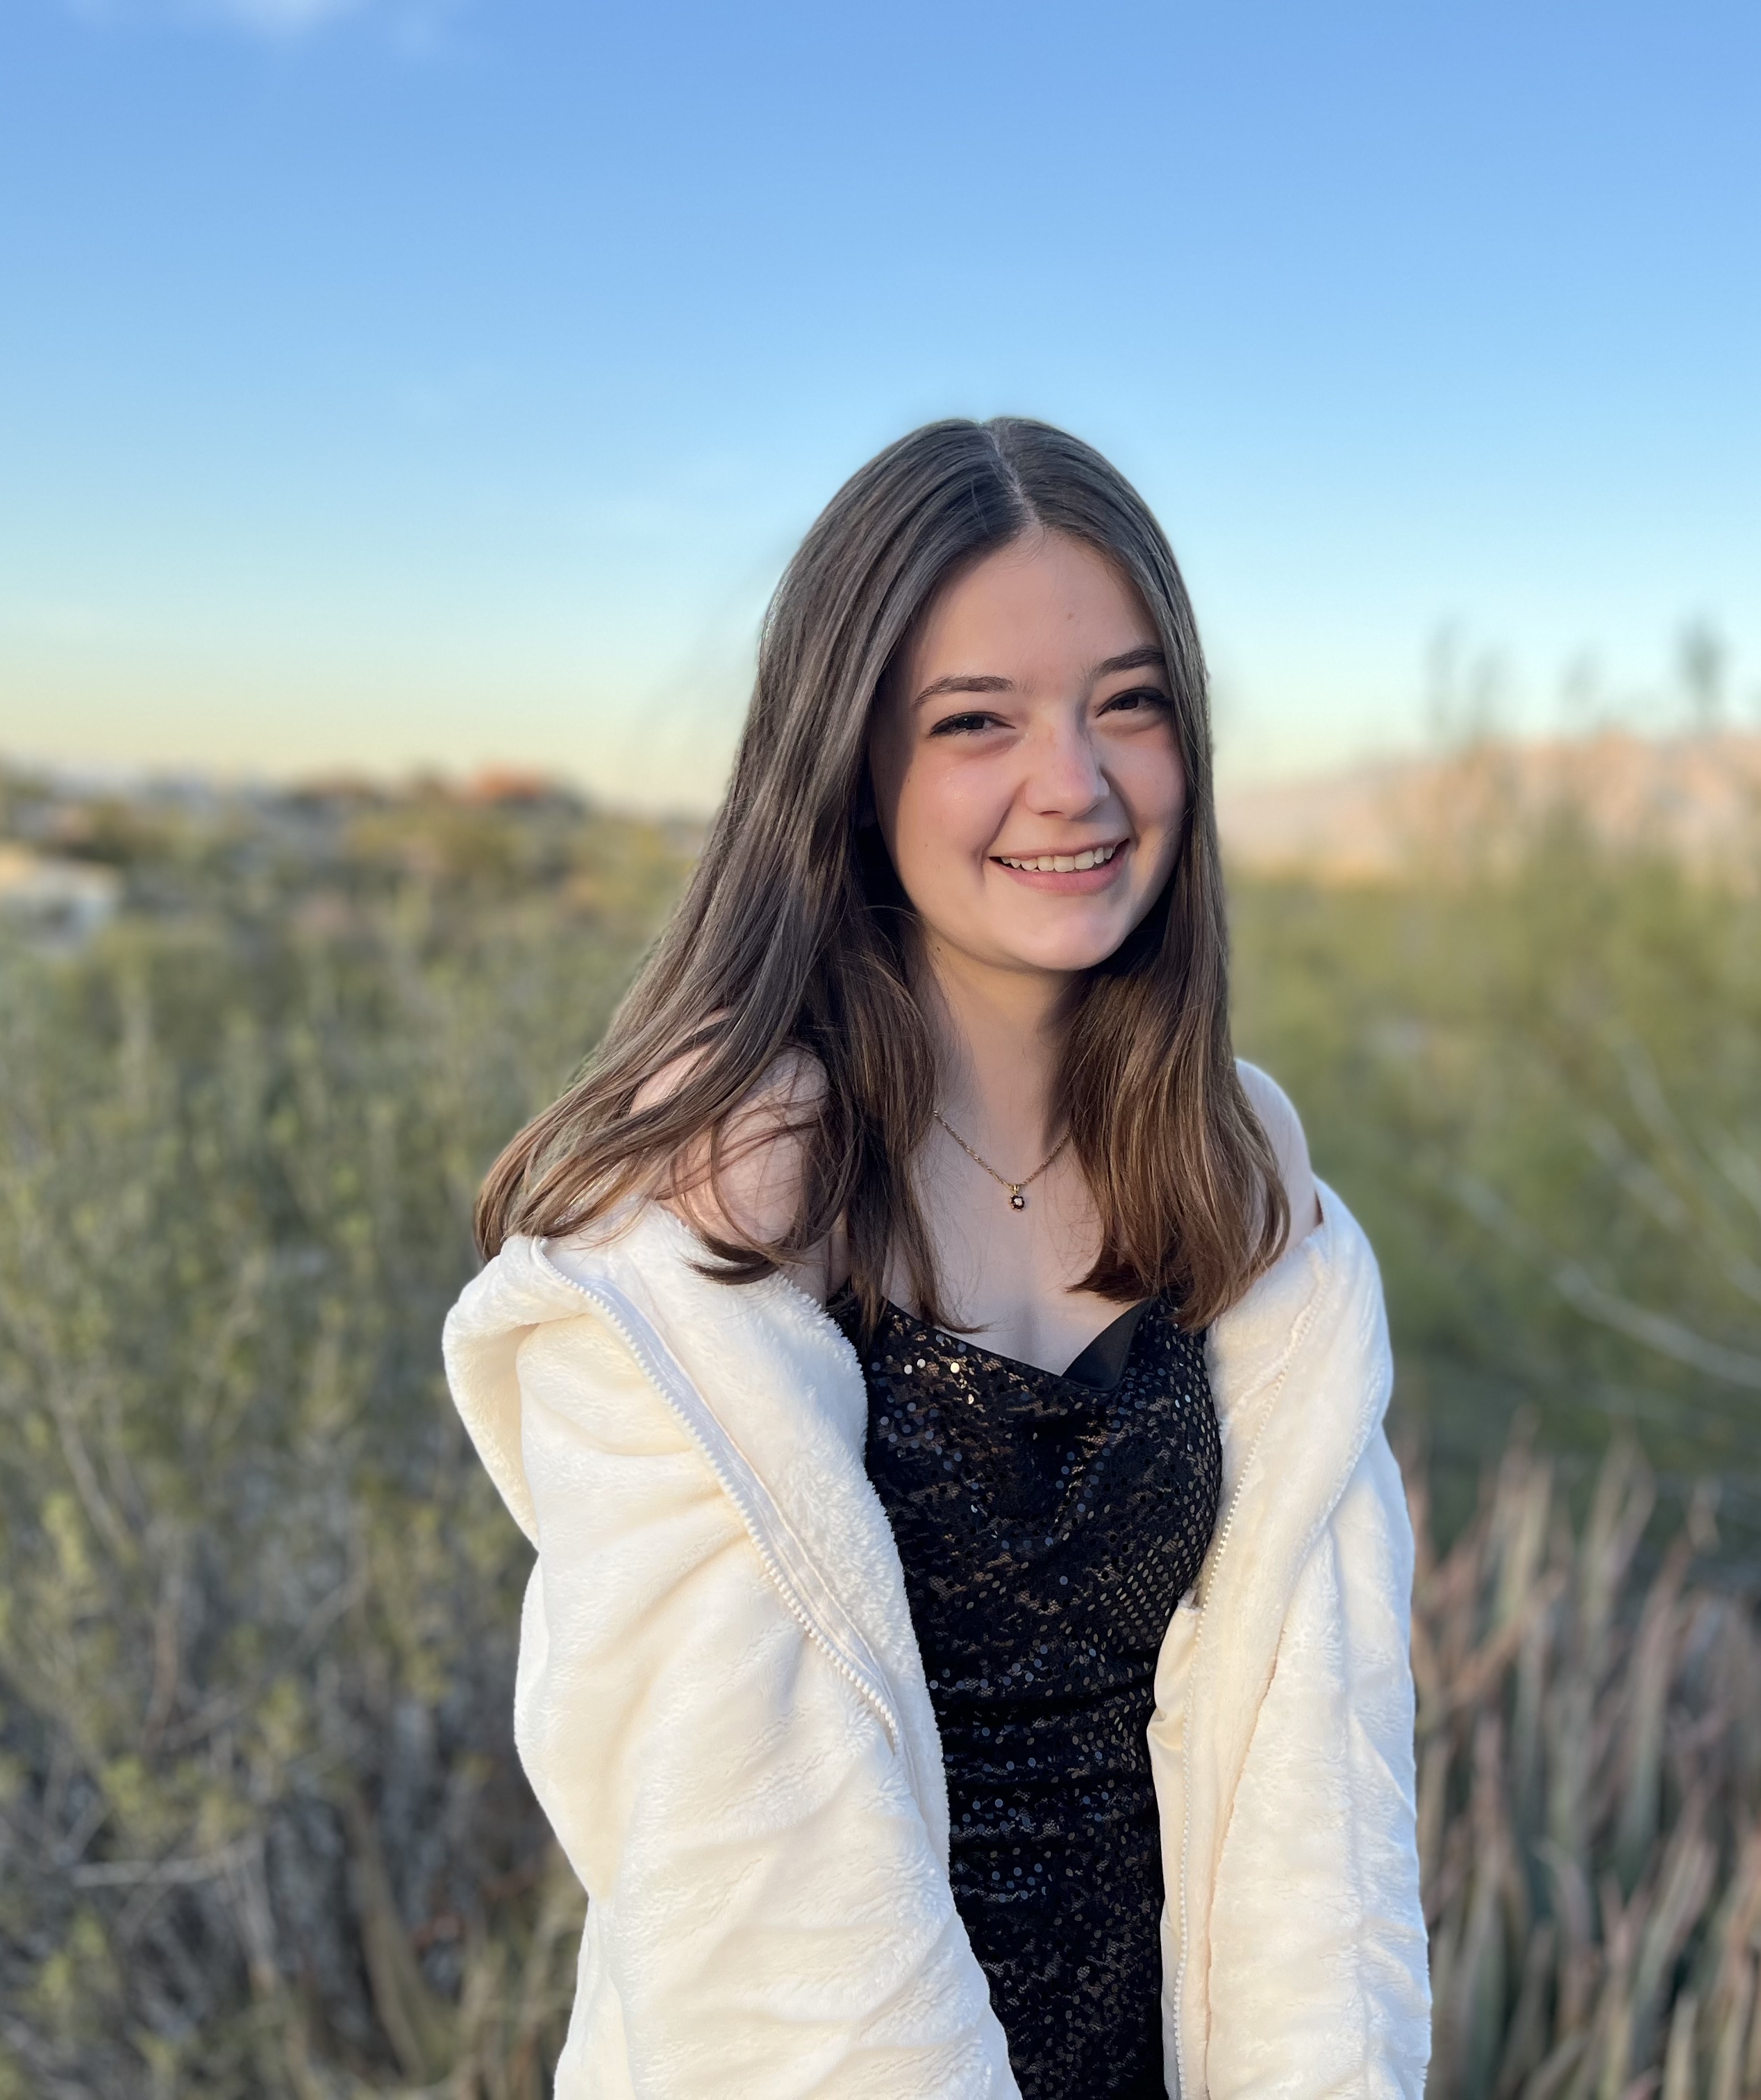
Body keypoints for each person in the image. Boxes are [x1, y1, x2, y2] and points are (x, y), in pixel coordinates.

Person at [444, 417, 1428, 2097]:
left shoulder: (1249, 1193)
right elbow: (745, 1909)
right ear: (849, 765)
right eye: (977, 722)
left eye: (1128, 702)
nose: (1080, 782)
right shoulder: (700, 1232)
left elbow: (1323, 1808)